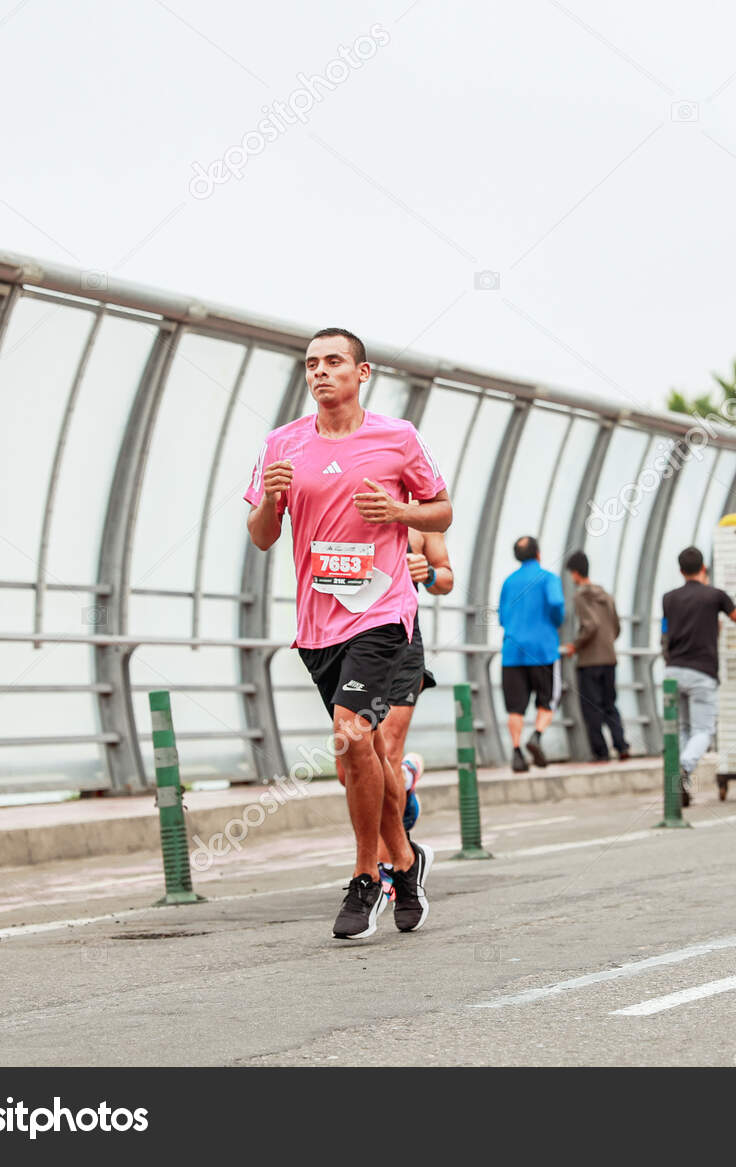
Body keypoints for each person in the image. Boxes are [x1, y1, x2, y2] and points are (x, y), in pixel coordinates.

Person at [246, 326, 449, 940]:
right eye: (312, 364)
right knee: (360, 753)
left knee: (349, 732)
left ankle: (367, 878)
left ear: (362, 373)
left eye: (334, 362)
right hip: (318, 623)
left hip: (384, 614)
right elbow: (261, 536)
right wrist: (268, 503)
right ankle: (407, 861)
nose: (320, 372)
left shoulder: (397, 437)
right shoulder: (281, 444)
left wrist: (401, 514)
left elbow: (441, 510)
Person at [372, 521, 454, 902]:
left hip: (402, 646)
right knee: (352, 763)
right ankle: (403, 781)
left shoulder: (420, 515)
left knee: (386, 748)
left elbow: (446, 579)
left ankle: (384, 867)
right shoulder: (345, 498)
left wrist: (430, 572)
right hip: (349, 641)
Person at [661, 545, 736, 805]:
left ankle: (678, 780)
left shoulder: (668, 598)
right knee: (703, 730)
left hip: (672, 672)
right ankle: (683, 767)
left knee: (682, 728)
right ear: (703, 568)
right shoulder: (716, 597)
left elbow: (666, 632)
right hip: (701, 672)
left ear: (681, 571)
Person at [499, 536, 565, 772]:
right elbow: (557, 604)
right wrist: (554, 623)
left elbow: (501, 617)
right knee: (548, 699)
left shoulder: (508, 582)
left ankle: (517, 754)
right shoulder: (549, 578)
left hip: (512, 651)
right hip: (543, 649)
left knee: (515, 708)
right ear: (538, 553)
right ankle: (536, 736)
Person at [561, 550, 630, 763]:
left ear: (575, 573)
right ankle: (621, 745)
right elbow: (616, 627)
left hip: (589, 660)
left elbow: (590, 625)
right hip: (609, 658)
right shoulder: (606, 595)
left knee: (591, 707)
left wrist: (576, 645)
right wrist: (608, 642)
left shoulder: (581, 595)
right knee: (610, 704)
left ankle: (600, 752)